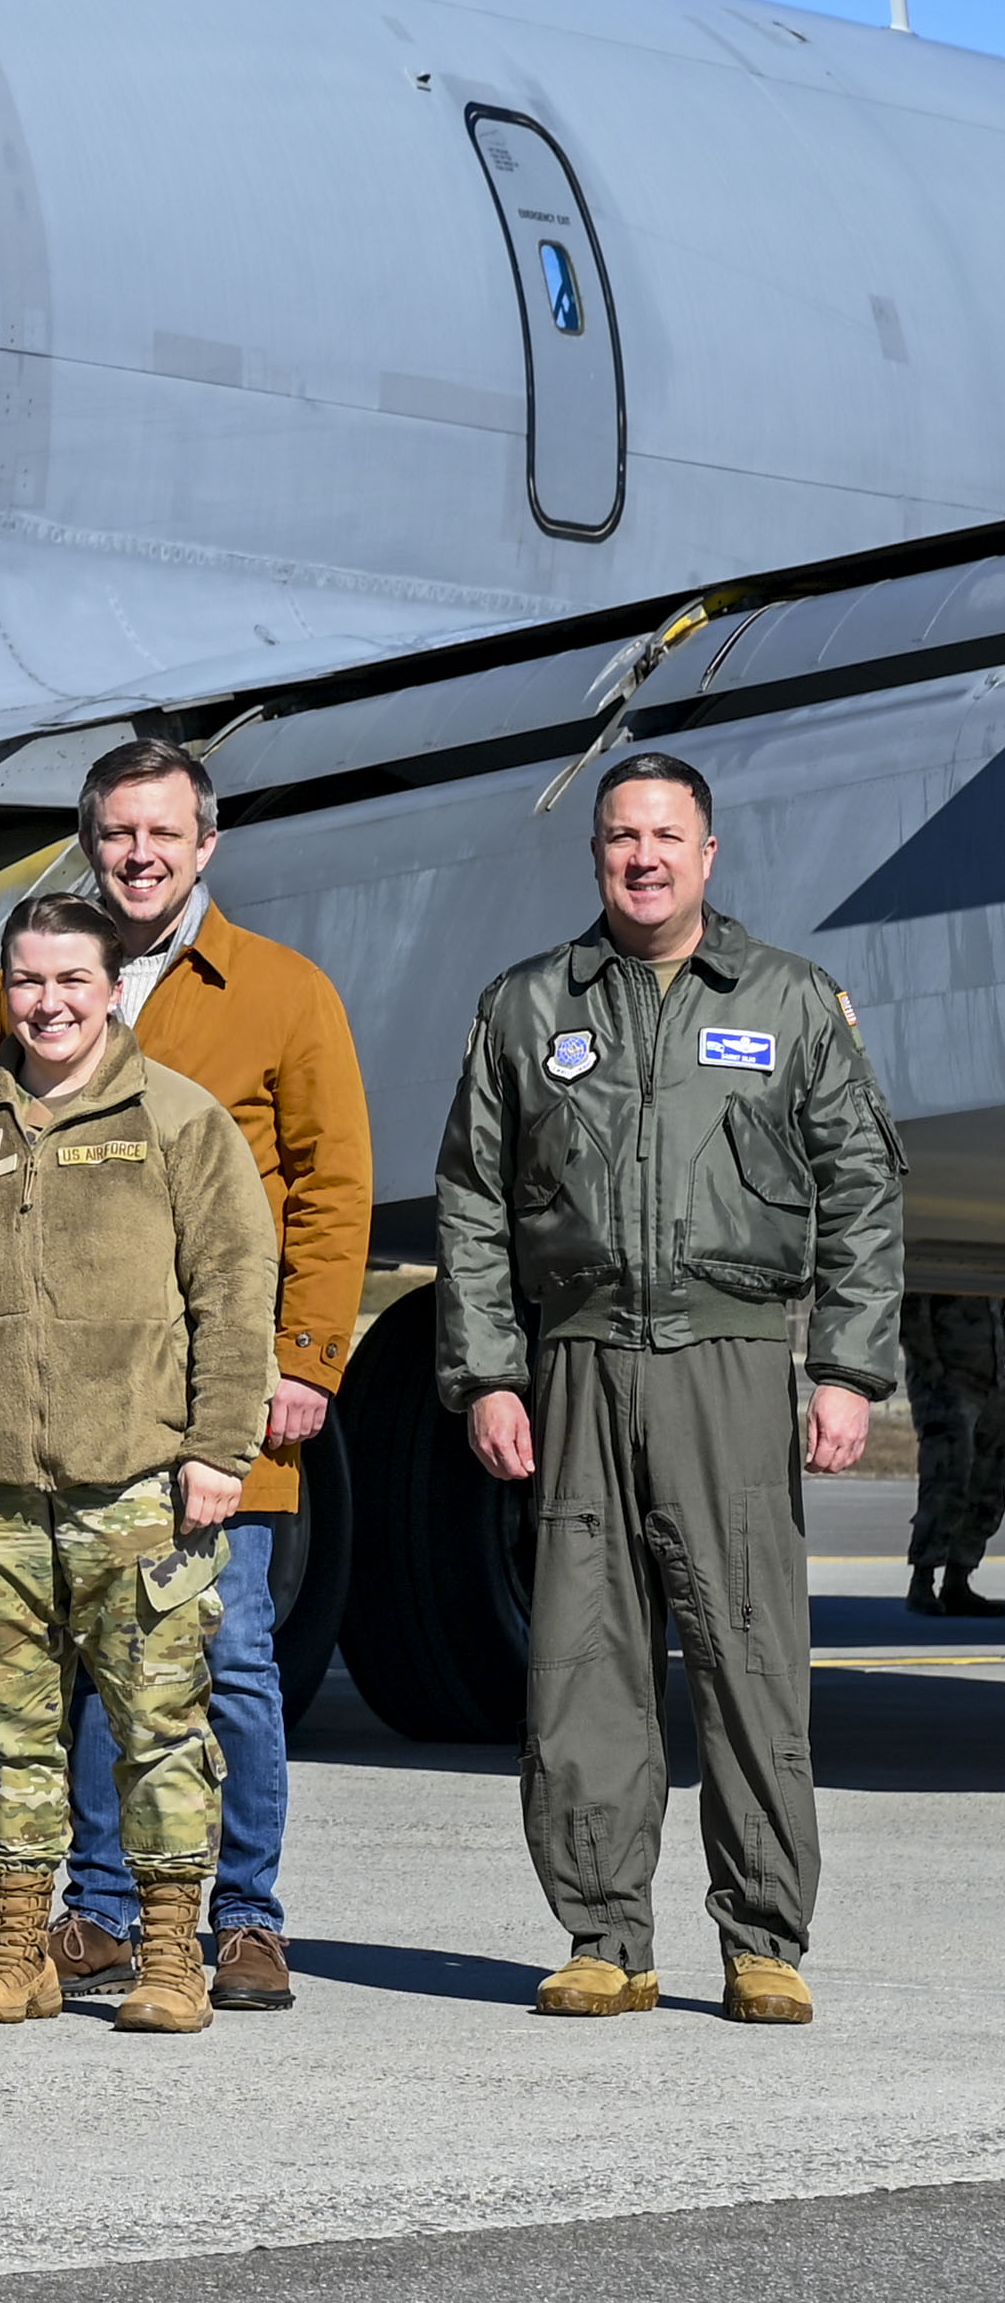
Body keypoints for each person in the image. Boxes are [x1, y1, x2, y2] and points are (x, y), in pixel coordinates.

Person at [432, 752, 901, 2029]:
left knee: (750, 1654)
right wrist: (487, 1372)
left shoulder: (791, 1001)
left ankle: (762, 1938)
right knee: (585, 1661)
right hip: (578, 1361)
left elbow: (860, 1188)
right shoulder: (527, 1008)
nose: (641, 857)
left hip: (733, 1363)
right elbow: (472, 1204)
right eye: (619, 836)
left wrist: (848, 1367)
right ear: (596, 855)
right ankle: (604, 1935)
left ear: (708, 855)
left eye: (664, 837)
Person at [0, 892, 271, 2036]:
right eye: (24, 980)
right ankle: (17, 1943)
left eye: (68, 981)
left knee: (159, 1725)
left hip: (137, 1476)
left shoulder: (178, 1121)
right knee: (7, 1727)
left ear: (111, 991)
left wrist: (216, 1448)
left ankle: (165, 1953)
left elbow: (234, 1295)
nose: (44, 1003)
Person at [45, 737, 374, 2012]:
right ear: (91, 844)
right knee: (98, 1657)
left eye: (162, 835)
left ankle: (246, 1918)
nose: (138, 856)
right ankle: (102, 1910)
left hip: (226, 1390)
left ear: (206, 847)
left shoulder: (282, 992)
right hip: (82, 1396)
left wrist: (307, 1363)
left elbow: (334, 1187)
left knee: (228, 1658)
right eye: (118, 834)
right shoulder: (48, 987)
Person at [906, 1295, 1005, 1616]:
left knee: (989, 1482)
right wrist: (931, 1371)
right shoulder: (951, 1253)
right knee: (947, 1478)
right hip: (951, 1381)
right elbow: (913, 1310)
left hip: (995, 1382)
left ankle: (958, 1579)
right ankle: (922, 1579)